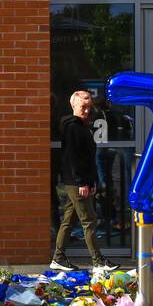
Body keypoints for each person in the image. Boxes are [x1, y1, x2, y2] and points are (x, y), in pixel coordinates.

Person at [51, 90, 114, 271]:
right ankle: (98, 261)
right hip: (75, 182)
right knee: (89, 221)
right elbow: (72, 158)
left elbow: (87, 158)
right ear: (74, 106)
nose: (86, 110)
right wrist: (81, 183)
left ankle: (58, 258)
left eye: (88, 107)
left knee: (69, 220)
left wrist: (91, 181)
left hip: (80, 181)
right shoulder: (72, 127)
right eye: (82, 107)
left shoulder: (82, 126)